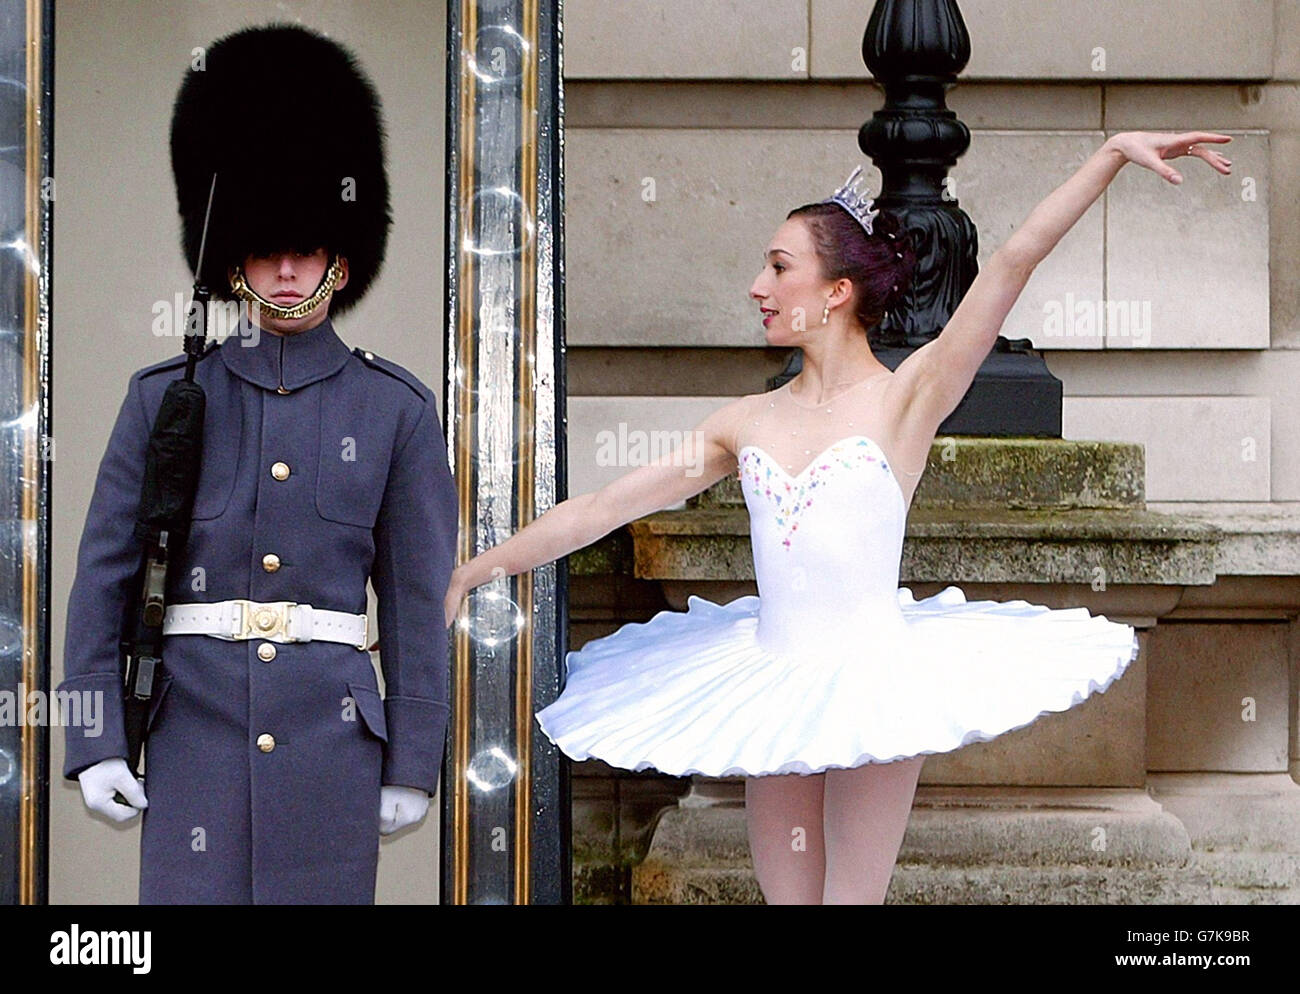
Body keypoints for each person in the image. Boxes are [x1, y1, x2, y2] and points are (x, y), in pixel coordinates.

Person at [445, 131, 1232, 905]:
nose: (758, 285)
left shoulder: (905, 399)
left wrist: (1111, 155)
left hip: (874, 680)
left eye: (780, 267)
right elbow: (602, 508)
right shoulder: (742, 423)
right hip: (773, 677)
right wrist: (480, 567)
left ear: (836, 291)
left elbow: (1013, 261)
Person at [59, 23, 457, 904]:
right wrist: (92, 739)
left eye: (304, 249)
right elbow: (103, 581)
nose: (285, 269)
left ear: (339, 259)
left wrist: (412, 757)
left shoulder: (393, 410)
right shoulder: (163, 397)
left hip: (332, 744)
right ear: (230, 253)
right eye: (267, 247)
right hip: (192, 737)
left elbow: (417, 599)